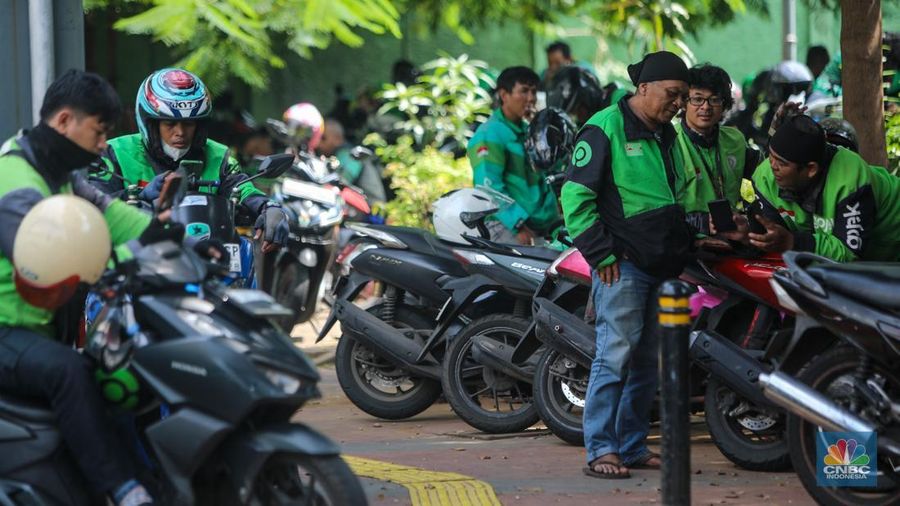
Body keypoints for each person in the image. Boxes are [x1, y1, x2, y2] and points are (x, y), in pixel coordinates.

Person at [0, 69, 158, 505]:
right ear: (66, 121)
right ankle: (121, 489)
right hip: (7, 331)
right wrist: (123, 263)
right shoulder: (15, 180)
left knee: (118, 376)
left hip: (40, 333)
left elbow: (114, 217)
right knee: (70, 373)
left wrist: (181, 243)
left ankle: (150, 481)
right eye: (100, 130)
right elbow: (47, 255)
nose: (104, 144)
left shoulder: (61, 176)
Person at [561, 51, 693, 479]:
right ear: (643, 88)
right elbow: (575, 199)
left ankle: (632, 445)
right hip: (624, 267)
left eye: (682, 97)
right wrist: (601, 255)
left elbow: (676, 195)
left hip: (663, 267)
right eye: (673, 95)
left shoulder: (667, 135)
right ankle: (601, 449)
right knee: (613, 358)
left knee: (648, 363)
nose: (678, 104)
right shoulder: (603, 128)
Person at [97, 68, 288, 253]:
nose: (180, 132)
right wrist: (140, 195)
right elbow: (92, 203)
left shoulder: (217, 156)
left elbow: (240, 186)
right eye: (170, 123)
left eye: (189, 123)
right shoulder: (116, 153)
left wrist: (268, 207)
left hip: (208, 258)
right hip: (134, 263)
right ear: (151, 124)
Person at [718, 114, 900, 262]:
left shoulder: (850, 180)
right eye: (771, 156)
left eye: (782, 162)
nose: (772, 166)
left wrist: (793, 241)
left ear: (811, 169)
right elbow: (775, 238)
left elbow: (847, 253)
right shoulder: (766, 177)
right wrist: (748, 235)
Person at [467, 66, 559, 245]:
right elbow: (488, 188)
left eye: (533, 91)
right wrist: (517, 225)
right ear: (504, 95)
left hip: (542, 227)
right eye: (524, 91)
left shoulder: (529, 131)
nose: (531, 98)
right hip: (510, 227)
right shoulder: (490, 134)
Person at [675, 64, 759, 233]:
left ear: (724, 104)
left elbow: (758, 180)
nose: (706, 107)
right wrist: (702, 223)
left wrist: (749, 217)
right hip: (687, 238)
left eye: (714, 99)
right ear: (684, 103)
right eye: (697, 99)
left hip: (731, 234)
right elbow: (659, 210)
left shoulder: (735, 139)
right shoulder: (670, 142)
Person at [317, 118, 387, 202]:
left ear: (338, 139)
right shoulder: (336, 154)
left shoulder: (348, 154)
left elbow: (343, 180)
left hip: (371, 209)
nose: (318, 143)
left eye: (323, 138)